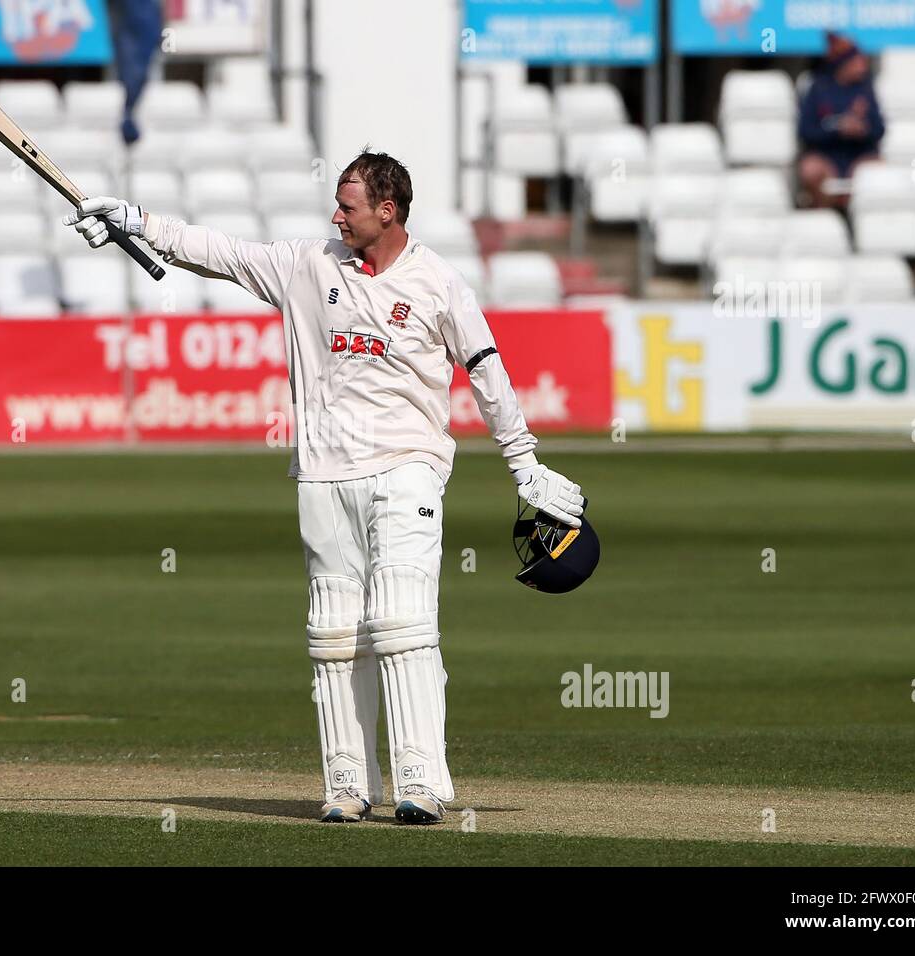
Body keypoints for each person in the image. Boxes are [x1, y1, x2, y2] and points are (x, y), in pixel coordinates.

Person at [62, 151, 585, 824]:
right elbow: (221, 253)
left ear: (387, 211)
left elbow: (486, 370)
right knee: (335, 632)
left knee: (402, 621)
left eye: (348, 206)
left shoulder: (438, 283)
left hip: (407, 465)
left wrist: (524, 463)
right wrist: (137, 222)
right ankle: (347, 782)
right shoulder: (310, 264)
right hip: (322, 473)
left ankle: (421, 781)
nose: (335, 217)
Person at [797, 32, 885, 208]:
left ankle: (862, 219)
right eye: (856, 60)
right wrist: (838, 130)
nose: (862, 65)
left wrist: (861, 129)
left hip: (858, 155)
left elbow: (879, 129)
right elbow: (805, 131)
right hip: (827, 156)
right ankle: (825, 216)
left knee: (877, 170)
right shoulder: (818, 89)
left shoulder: (866, 89)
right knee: (810, 169)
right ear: (844, 64)